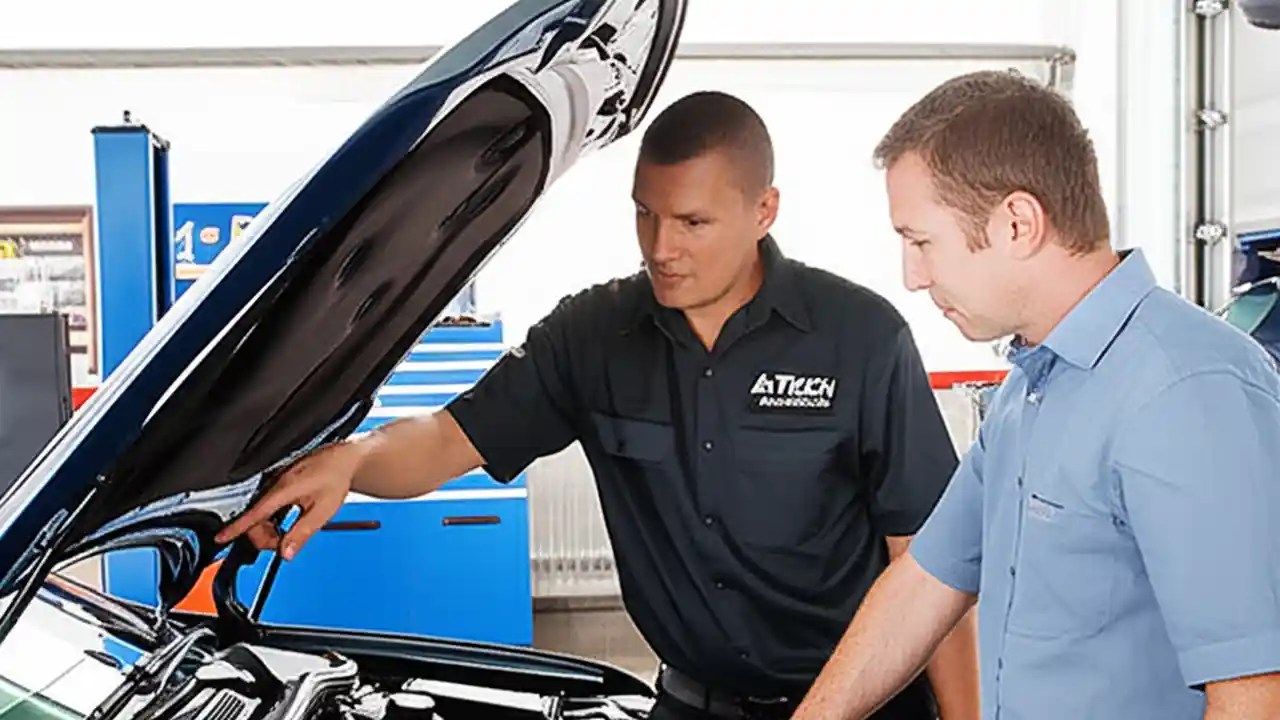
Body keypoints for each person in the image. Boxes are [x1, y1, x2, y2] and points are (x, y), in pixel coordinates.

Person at [215, 90, 979, 720]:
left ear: (764, 210)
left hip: (860, 705)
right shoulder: (593, 337)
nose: (660, 246)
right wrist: (354, 460)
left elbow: (931, 568)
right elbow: (449, 438)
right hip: (689, 705)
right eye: (645, 213)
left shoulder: (861, 339)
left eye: (693, 222)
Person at [791, 70, 1280, 720]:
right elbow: (923, 583)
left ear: (1018, 223)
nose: (912, 277)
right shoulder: (1033, 388)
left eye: (920, 242)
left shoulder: (1187, 392)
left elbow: (1254, 695)